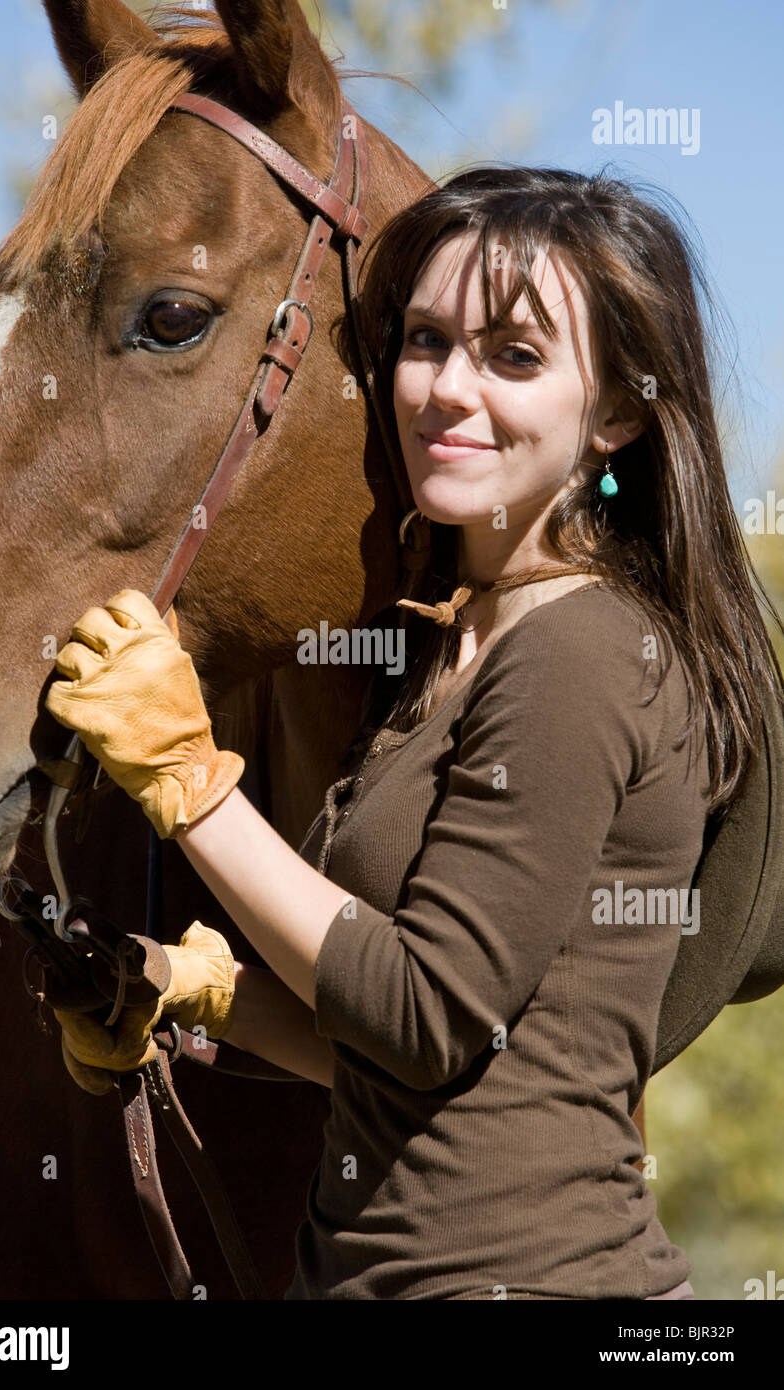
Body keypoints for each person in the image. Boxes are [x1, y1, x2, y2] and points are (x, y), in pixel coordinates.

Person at [45, 167, 784, 1300]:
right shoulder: (457, 637)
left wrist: (189, 784)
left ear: (620, 411)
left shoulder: (581, 651)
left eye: (514, 356)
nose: (446, 388)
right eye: (427, 340)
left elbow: (426, 1013)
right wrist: (194, 992)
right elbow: (391, 1062)